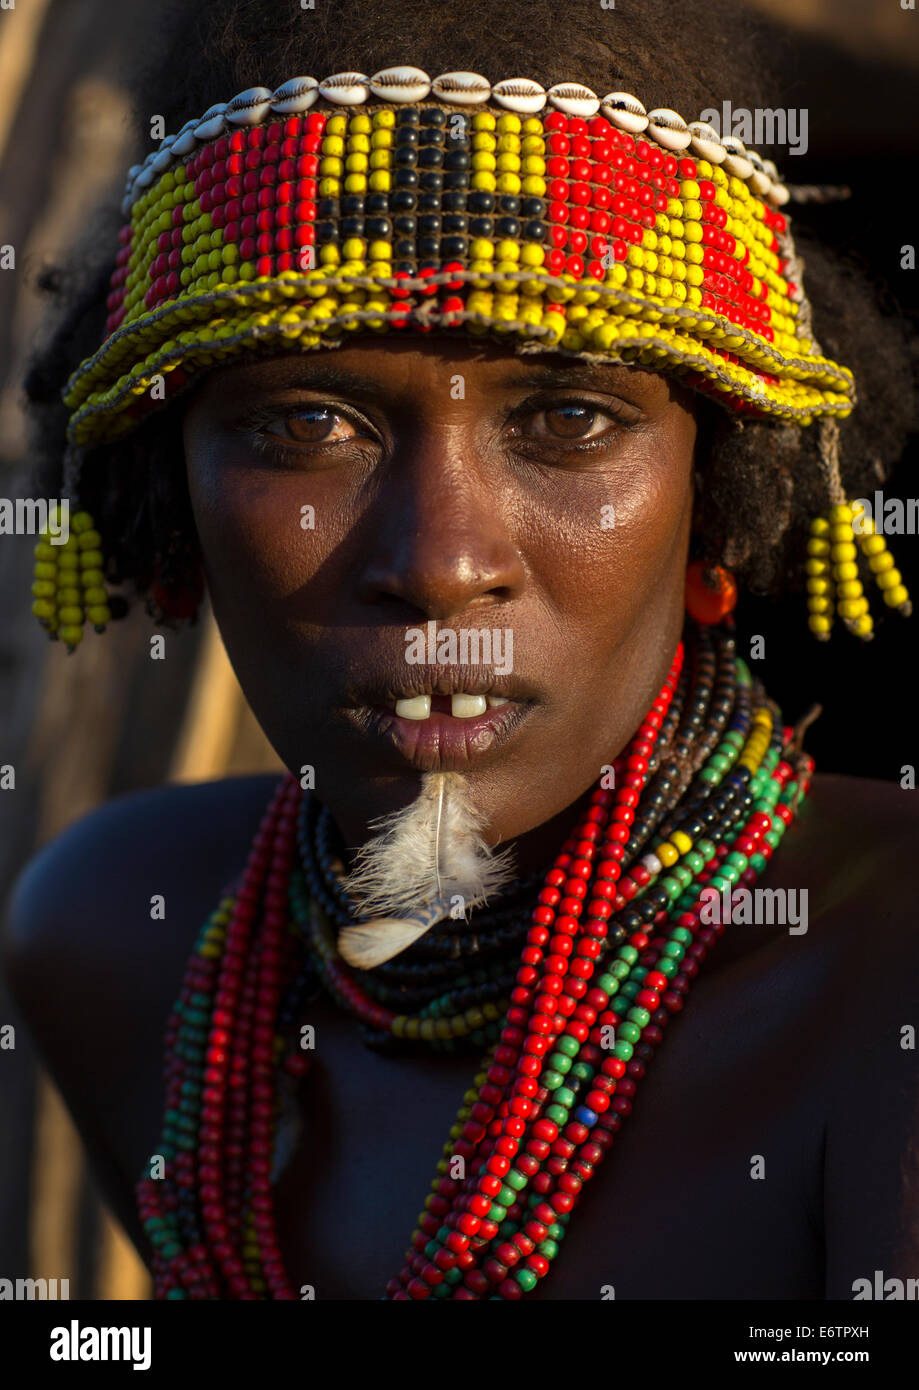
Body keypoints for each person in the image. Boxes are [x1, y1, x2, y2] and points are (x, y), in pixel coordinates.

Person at [5, 0, 919, 1301]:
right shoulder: (109, 941)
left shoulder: (886, 978)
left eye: (570, 417)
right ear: (166, 502)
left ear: (718, 497)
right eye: (308, 423)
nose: (440, 562)